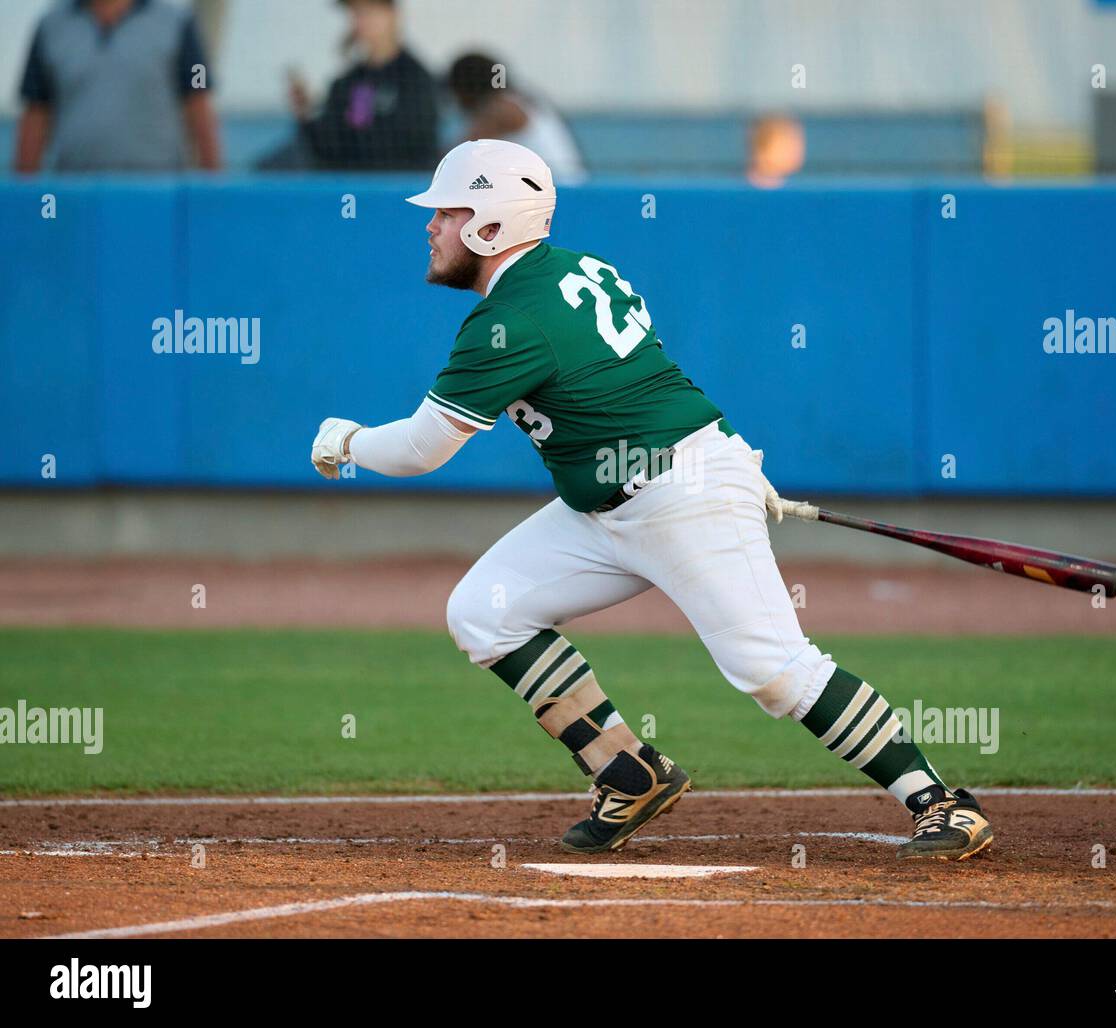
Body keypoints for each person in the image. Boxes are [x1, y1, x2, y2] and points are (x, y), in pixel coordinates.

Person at [310, 139, 993, 860]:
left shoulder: (509, 321)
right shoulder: (575, 270)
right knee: (485, 612)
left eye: (446, 214)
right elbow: (651, 376)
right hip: (615, 502)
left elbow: (422, 448)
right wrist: (727, 447)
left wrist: (347, 441)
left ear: (489, 226)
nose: (432, 227)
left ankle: (940, 802)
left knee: (772, 670)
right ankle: (628, 771)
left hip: (678, 491)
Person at [14, 0, 221, 173]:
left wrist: (214, 197)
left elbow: (199, 103)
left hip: (158, 198)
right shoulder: (50, 27)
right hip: (73, 198)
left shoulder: (179, 24)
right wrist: (22, 204)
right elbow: (35, 113)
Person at [287, 0, 439, 171]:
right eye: (356, 13)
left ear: (393, 15)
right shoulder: (347, 83)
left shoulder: (416, 80)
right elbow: (327, 149)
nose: (362, 20)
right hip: (350, 190)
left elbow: (416, 149)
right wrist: (305, 113)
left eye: (370, 11)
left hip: (395, 191)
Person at [447, 52, 585, 184]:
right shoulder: (519, 99)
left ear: (466, 89)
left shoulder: (501, 109)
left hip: (560, 192)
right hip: (561, 187)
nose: (456, 102)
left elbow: (456, 157)